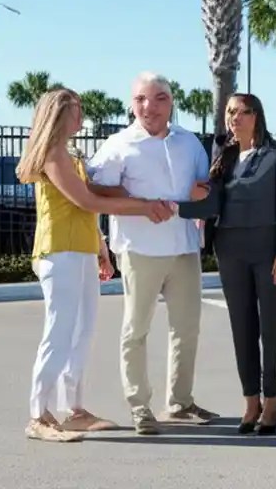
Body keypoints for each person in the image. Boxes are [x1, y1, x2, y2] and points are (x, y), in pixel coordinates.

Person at [15, 88, 176, 442]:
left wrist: (101, 248)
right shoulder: (52, 155)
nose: (81, 116)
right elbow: (87, 201)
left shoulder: (70, 155)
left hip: (81, 250)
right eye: (77, 110)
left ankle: (74, 410)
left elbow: (88, 201)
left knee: (82, 333)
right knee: (59, 334)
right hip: (59, 253)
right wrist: (144, 207)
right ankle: (38, 415)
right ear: (60, 115)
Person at [86, 72, 217, 435]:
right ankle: (139, 407)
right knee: (136, 330)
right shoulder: (118, 144)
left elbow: (205, 188)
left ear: (170, 102)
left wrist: (201, 191)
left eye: (158, 98)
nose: (149, 106)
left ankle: (180, 402)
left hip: (185, 247)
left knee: (187, 328)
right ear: (132, 103)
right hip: (139, 249)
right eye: (141, 99)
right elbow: (94, 188)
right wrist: (141, 204)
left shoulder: (189, 143)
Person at [179, 93, 276, 435]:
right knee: (242, 328)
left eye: (242, 112)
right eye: (231, 112)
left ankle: (273, 400)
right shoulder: (225, 157)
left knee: (270, 330)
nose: (235, 117)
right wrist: (172, 206)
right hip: (230, 251)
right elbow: (210, 205)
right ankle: (251, 399)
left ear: (256, 116)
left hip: (267, 252)